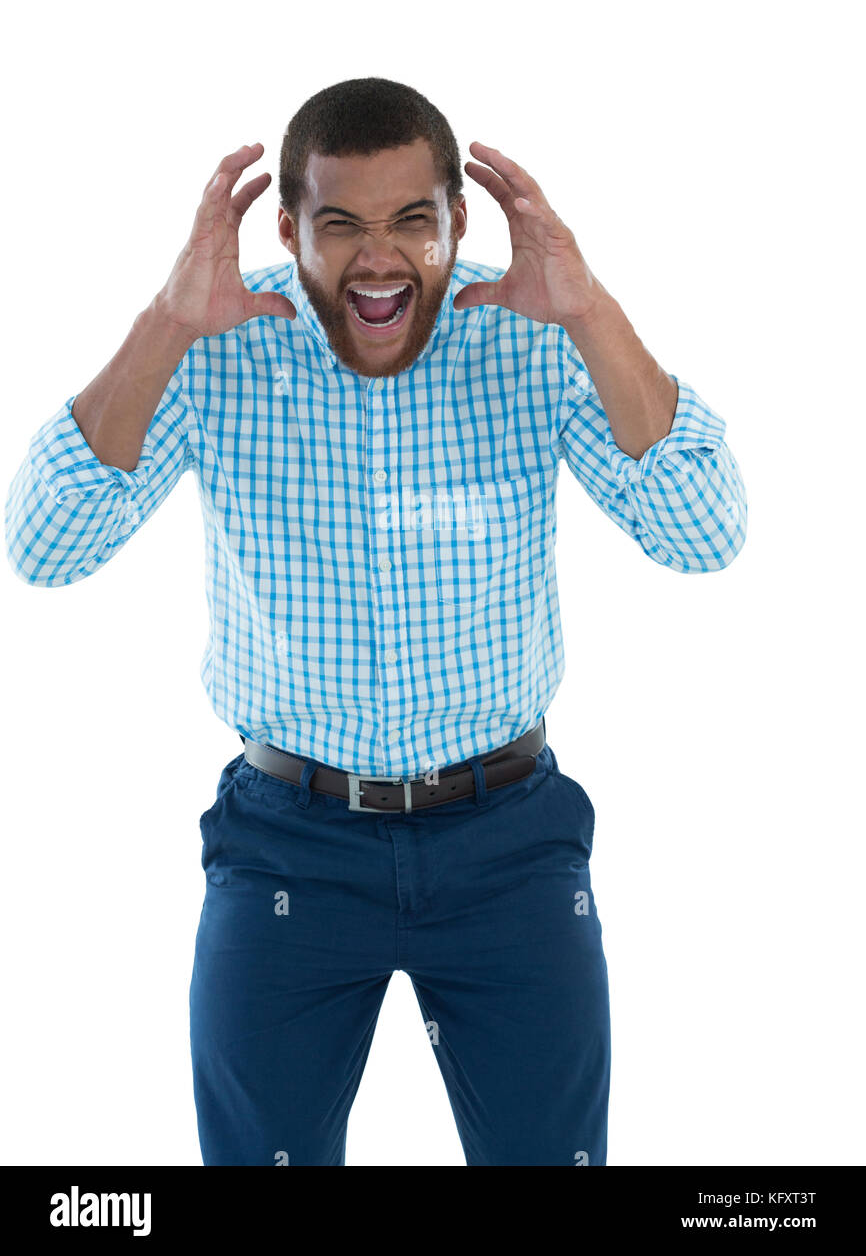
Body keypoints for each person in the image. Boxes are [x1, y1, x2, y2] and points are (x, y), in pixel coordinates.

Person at [4, 77, 747, 1166]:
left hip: (508, 841)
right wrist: (163, 326)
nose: (378, 258)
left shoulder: (533, 335)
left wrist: (591, 312)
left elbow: (704, 531)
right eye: (341, 224)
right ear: (288, 229)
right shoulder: (218, 344)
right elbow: (45, 547)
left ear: (456, 218)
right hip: (285, 843)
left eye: (411, 219)